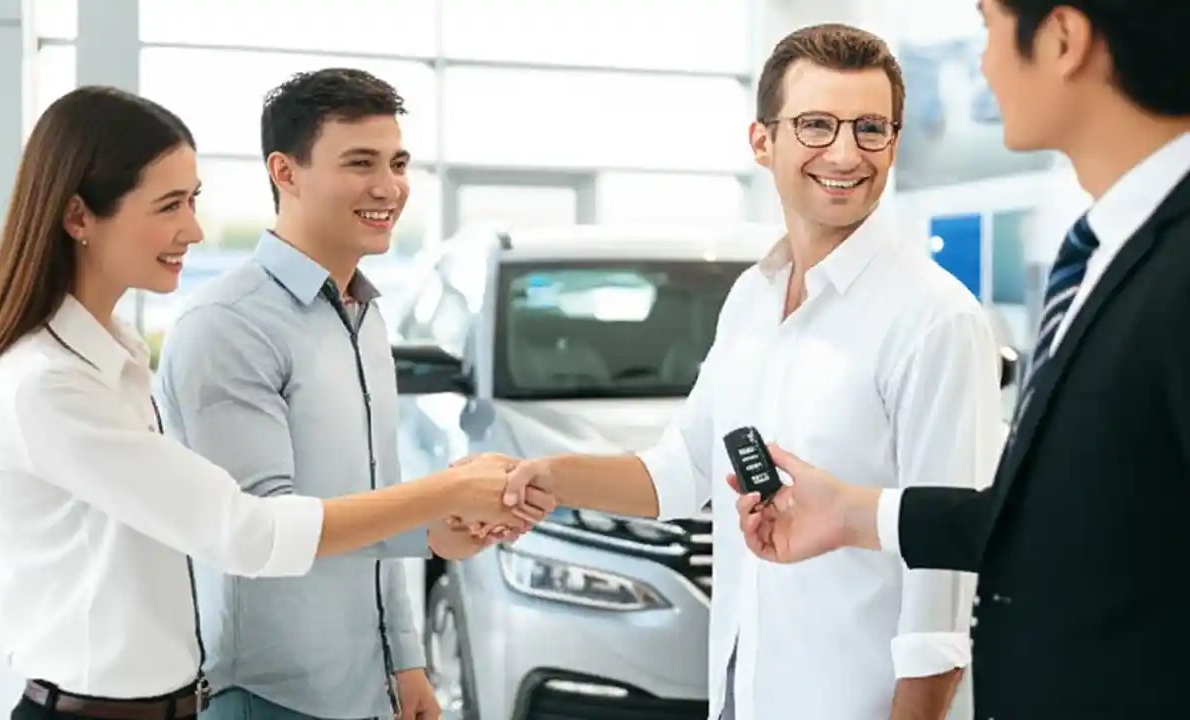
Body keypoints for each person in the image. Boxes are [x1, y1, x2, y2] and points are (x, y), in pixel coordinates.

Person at [0, 86, 541, 720]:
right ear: (78, 217)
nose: (194, 229)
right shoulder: (47, 385)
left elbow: (352, 493)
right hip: (169, 702)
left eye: (194, 200)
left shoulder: (116, 355)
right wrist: (442, 497)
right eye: (169, 205)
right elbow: (247, 529)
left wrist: (420, 578)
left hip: (189, 702)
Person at [464, 23, 1004, 720]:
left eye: (871, 128)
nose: (845, 152)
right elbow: (683, 472)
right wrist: (551, 477)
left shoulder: (937, 320)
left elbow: (942, 607)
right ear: (763, 141)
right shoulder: (752, 299)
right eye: (816, 125)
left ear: (894, 143)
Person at [731, 1, 1190, 718]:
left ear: (1063, 39)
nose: (982, 63)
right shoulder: (1116, 251)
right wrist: (856, 514)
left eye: (989, 26)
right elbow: (1075, 519)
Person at [154, 68, 536, 720]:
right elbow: (265, 530)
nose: (388, 187)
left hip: (365, 690)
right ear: (286, 172)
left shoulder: (363, 314)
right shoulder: (228, 326)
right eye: (359, 163)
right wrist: (439, 508)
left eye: (397, 162)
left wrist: (406, 659)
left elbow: (372, 494)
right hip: (266, 694)